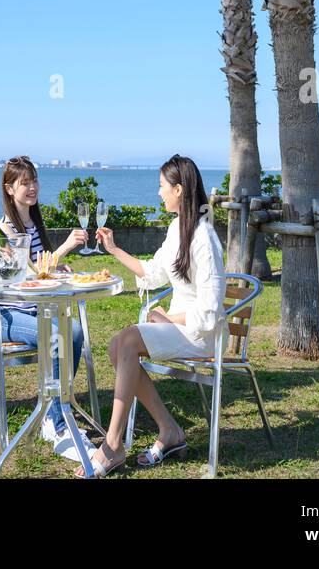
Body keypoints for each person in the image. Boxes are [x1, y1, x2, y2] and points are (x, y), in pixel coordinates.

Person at [76, 153, 226, 477]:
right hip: (179, 328)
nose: (159, 193)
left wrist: (172, 320)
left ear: (179, 190)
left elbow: (211, 311)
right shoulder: (177, 229)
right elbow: (153, 272)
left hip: (202, 336)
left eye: (162, 186)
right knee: (117, 347)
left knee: (128, 340)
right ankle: (169, 430)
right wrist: (114, 249)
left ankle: (113, 445)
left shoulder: (205, 238)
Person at [0, 156, 95, 462]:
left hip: (34, 312)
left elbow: (40, 272)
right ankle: (59, 426)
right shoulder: (4, 231)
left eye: (34, 181)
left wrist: (58, 267)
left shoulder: (34, 223)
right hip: (5, 317)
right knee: (59, 334)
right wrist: (62, 251)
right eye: (25, 183)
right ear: (9, 189)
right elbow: (21, 280)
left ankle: (54, 414)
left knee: (73, 332)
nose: (32, 188)